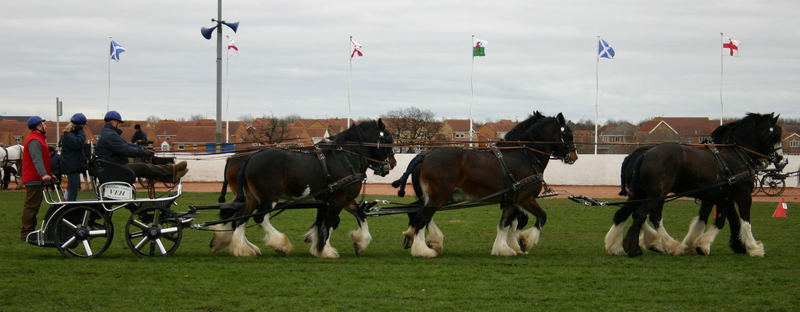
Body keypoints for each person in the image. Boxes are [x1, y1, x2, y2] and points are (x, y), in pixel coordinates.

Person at [96, 111, 188, 183]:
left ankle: (171, 175)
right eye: (119, 123)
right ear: (113, 122)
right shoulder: (110, 135)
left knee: (144, 168)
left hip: (114, 167)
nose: (119, 125)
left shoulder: (107, 134)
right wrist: (142, 152)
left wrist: (142, 149)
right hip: (116, 169)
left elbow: (127, 145)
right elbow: (125, 149)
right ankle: (172, 170)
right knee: (143, 167)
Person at [20, 116, 55, 241]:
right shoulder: (35, 140)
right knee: (31, 206)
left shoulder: (38, 139)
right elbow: (37, 159)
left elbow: (44, 160)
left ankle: (29, 230)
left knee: (34, 205)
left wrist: (49, 174)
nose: (45, 126)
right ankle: (26, 232)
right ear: (38, 126)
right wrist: (43, 174)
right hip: (34, 178)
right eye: (43, 124)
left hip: (36, 177)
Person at [60, 113, 87, 201]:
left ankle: (68, 207)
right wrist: (80, 131)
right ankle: (69, 209)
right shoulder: (70, 135)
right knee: (72, 191)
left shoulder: (69, 134)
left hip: (72, 166)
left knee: (72, 190)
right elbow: (79, 143)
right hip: (72, 167)